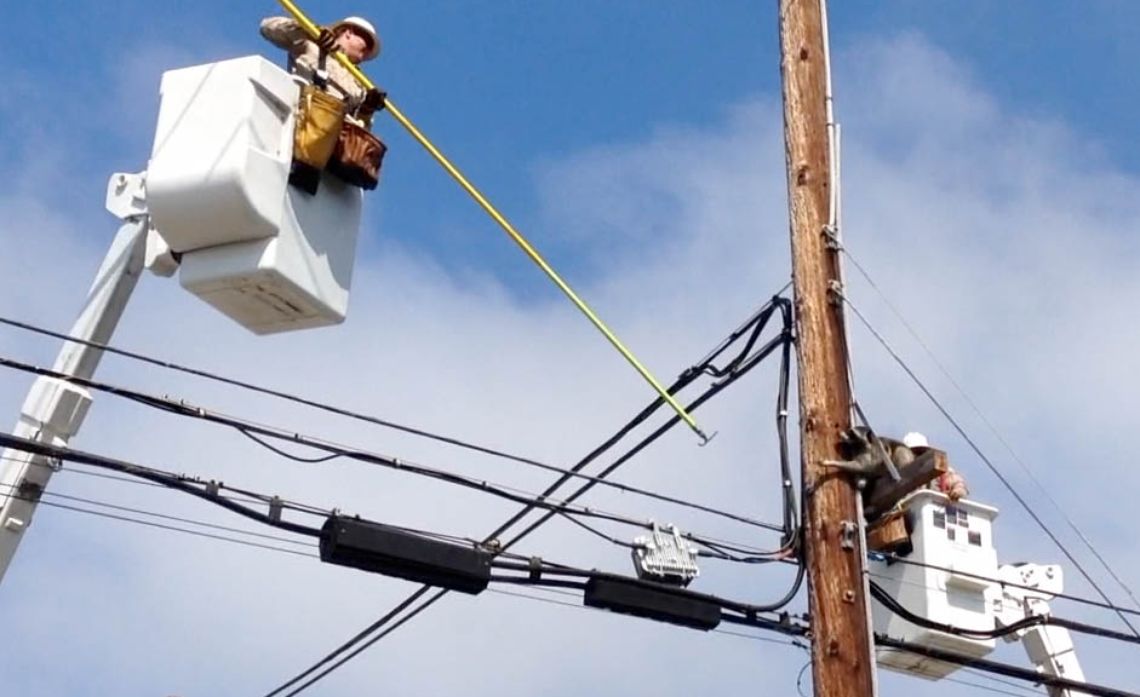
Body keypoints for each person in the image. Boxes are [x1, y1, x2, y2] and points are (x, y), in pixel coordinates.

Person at [259, 15, 385, 118]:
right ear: (349, 33)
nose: (368, 50)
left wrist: (367, 110)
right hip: (299, 120)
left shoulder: (360, 86)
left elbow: (357, 133)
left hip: (326, 142)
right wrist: (311, 32)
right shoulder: (313, 46)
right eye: (367, 42)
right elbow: (268, 27)